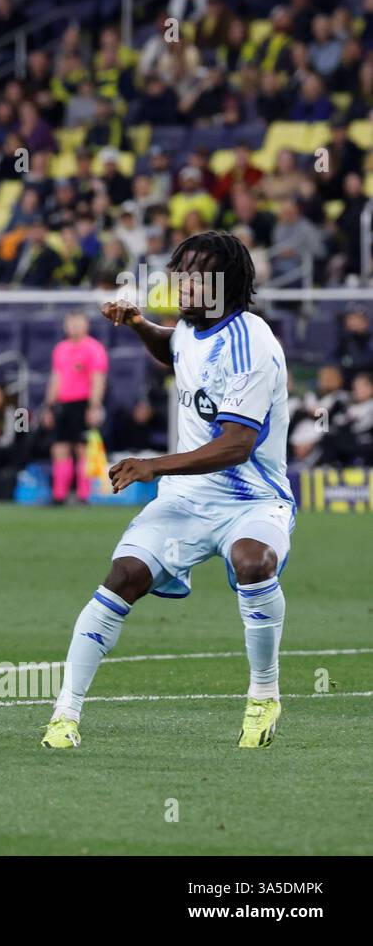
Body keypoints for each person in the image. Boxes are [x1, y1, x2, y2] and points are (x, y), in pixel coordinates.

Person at [42, 230, 294, 751]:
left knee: (253, 561)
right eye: (179, 272)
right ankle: (64, 715)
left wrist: (154, 466)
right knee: (123, 576)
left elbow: (236, 445)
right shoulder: (190, 328)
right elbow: (175, 349)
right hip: (185, 501)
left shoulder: (253, 343)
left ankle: (264, 693)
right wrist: (138, 325)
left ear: (224, 286)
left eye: (194, 275)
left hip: (251, 499)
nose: (181, 282)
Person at [41, 311, 108, 504]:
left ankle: (83, 495)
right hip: (63, 404)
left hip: (83, 403)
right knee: (59, 449)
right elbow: (56, 378)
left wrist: (94, 406)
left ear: (86, 325)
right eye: (70, 324)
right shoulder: (60, 349)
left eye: (78, 323)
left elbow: (98, 379)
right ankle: (59, 495)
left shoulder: (94, 349)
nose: (74, 327)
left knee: (83, 449)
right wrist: (49, 406)